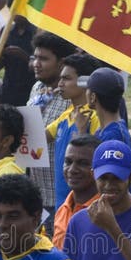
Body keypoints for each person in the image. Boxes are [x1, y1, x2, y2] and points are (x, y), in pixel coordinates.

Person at [28, 31, 74, 228]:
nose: (36, 64)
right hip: (36, 192)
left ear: (61, 63)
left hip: (61, 194)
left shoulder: (72, 96)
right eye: (35, 57)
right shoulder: (37, 88)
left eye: (44, 59)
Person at [46, 52, 99, 211]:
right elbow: (38, 139)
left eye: (66, 79)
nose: (60, 84)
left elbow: (95, 160)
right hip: (62, 204)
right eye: (60, 78)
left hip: (84, 206)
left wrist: (82, 130)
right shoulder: (66, 115)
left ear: (85, 82)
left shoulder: (94, 116)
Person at [0, 13, 36, 107]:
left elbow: (40, 64)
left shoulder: (36, 32)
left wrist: (23, 56)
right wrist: (1, 54)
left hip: (29, 87)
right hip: (8, 87)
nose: (14, 14)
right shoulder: (6, 30)